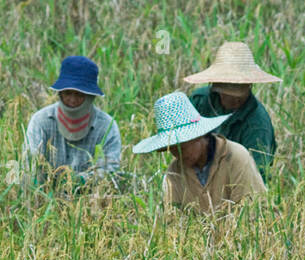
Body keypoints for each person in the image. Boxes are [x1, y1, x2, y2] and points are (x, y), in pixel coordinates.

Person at [132, 92, 266, 212]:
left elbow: (252, 213)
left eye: (182, 148)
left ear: (198, 136)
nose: (178, 155)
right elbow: (172, 223)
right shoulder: (174, 173)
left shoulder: (236, 157)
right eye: (172, 150)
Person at [184, 42, 281, 181]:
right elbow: (181, 144)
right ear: (217, 89)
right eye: (230, 95)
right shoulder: (199, 102)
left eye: (241, 94)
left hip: (235, 183)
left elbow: (258, 175)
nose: (237, 101)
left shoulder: (258, 124)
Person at [21, 56, 121, 188]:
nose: (72, 100)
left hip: (91, 199)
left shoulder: (106, 127)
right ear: (60, 93)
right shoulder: (41, 122)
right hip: (46, 195)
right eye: (67, 93)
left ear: (90, 96)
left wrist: (78, 182)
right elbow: (30, 165)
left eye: (79, 94)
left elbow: (110, 171)